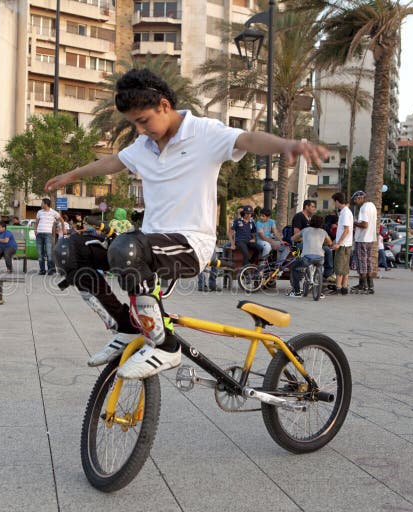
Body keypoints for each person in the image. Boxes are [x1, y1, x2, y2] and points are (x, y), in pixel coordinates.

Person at [45, 68, 327, 379]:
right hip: (148, 243)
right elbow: (112, 162)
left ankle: (166, 347)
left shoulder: (204, 132)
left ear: (164, 106)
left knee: (126, 249)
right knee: (68, 251)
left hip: (191, 245)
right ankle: (125, 326)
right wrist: (73, 175)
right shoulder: (144, 146)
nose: (140, 130)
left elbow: (247, 138)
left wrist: (287, 145)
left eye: (143, 121)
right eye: (134, 124)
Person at [288, 214, 332, 297]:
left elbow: (293, 238)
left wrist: (301, 239)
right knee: (320, 269)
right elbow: (329, 243)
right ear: (321, 224)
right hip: (320, 258)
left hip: (306, 258)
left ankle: (296, 292)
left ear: (310, 222)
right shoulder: (323, 232)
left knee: (294, 268)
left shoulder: (305, 230)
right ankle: (320, 292)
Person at [351, 190, 378, 294]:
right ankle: (370, 285)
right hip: (371, 239)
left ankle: (364, 285)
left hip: (362, 239)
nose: (355, 202)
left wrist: (355, 223)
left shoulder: (363, 208)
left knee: (362, 262)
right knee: (368, 262)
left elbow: (364, 224)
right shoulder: (372, 206)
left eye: (355, 199)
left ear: (360, 198)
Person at [330, 192, 353, 295]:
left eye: (334, 202)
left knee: (339, 267)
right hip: (346, 244)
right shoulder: (346, 212)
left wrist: (338, 243)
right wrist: (335, 241)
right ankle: (344, 287)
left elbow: (346, 230)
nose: (334, 204)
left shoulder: (344, 213)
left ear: (337, 201)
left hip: (343, 245)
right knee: (345, 267)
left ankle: (338, 287)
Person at [34, 198, 64, 275]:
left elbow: (62, 220)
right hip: (39, 235)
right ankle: (42, 270)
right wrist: (35, 230)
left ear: (46, 204)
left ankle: (51, 270)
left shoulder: (53, 212)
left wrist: (63, 230)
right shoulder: (39, 212)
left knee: (49, 253)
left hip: (48, 235)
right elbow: (36, 222)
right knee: (40, 254)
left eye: (42, 203)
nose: (41, 204)